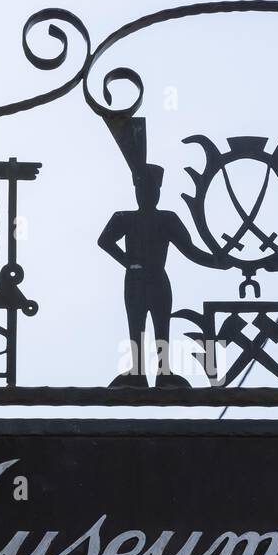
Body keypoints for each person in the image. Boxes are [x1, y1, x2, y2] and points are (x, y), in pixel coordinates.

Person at [97, 164, 199, 388]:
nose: (147, 194)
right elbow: (104, 241)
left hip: (157, 279)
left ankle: (163, 373)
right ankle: (138, 373)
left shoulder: (167, 219)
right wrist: (128, 263)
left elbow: (190, 249)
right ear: (136, 192)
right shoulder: (124, 218)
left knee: (162, 326)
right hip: (135, 281)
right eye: (142, 190)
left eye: (152, 190)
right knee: (136, 326)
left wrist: (217, 261)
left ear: (158, 193)